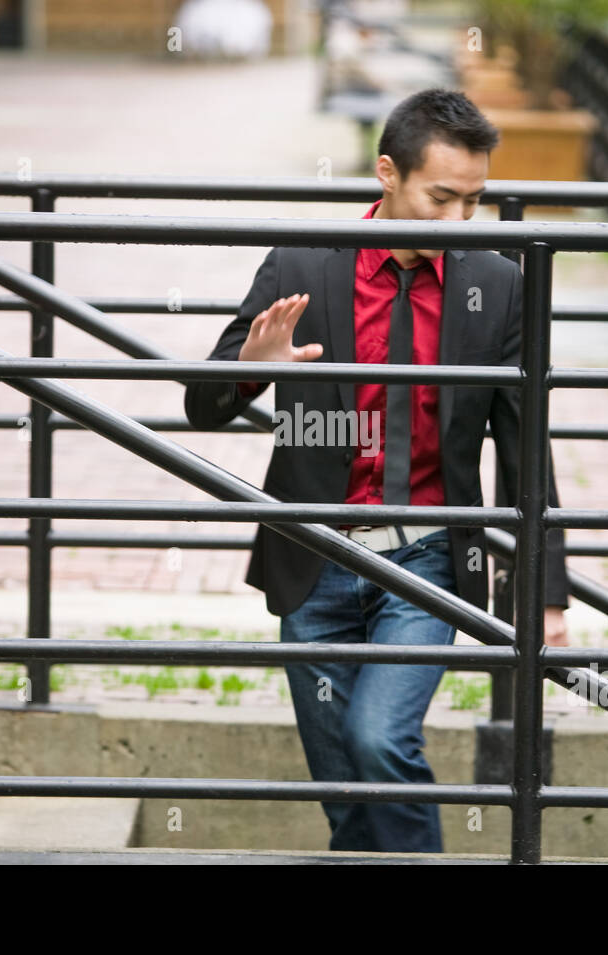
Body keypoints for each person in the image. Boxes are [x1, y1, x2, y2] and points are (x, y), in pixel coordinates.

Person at [183, 88, 570, 853]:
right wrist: (247, 371)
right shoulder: (302, 262)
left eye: (474, 201)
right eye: (442, 198)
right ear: (387, 173)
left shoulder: (497, 284)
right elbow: (204, 404)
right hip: (313, 557)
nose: (461, 221)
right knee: (347, 790)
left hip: (426, 561)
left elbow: (526, 447)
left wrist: (544, 591)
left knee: (378, 742)